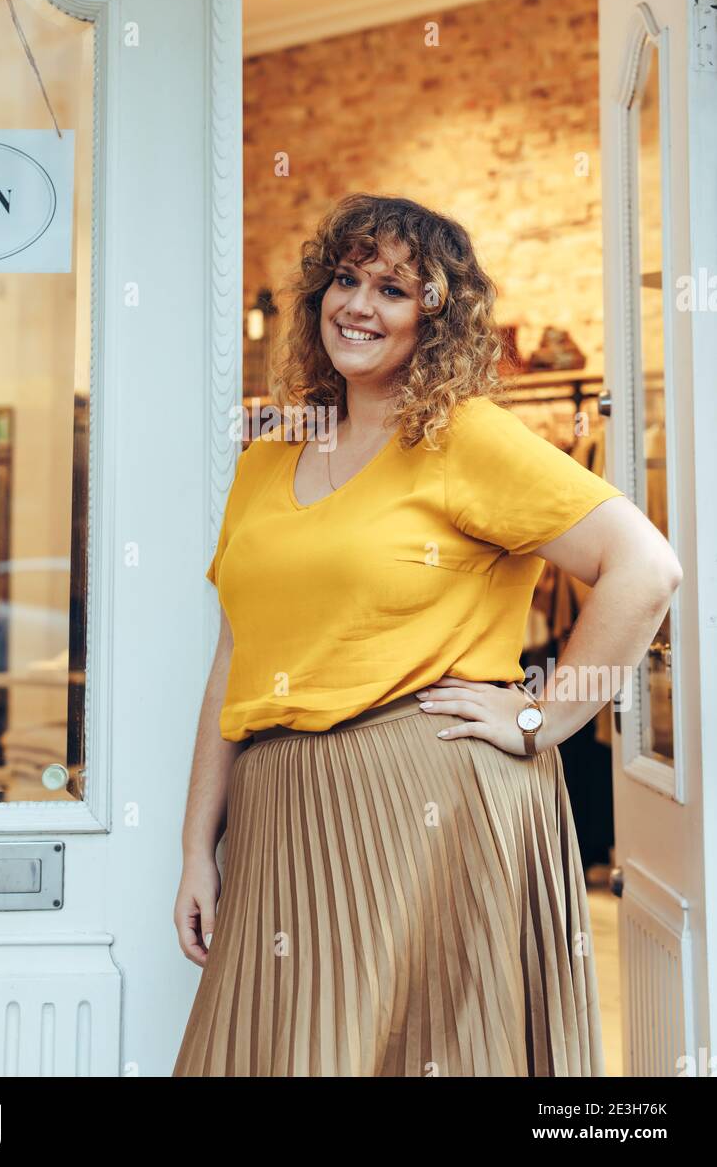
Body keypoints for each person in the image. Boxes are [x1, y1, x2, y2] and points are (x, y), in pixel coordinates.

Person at [172, 193, 682, 1078]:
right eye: (345, 278)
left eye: (394, 290)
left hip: (424, 802)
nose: (359, 305)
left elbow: (645, 567)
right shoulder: (267, 456)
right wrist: (194, 849)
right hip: (276, 807)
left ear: (434, 321)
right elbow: (234, 656)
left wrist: (541, 717)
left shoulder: (464, 438)